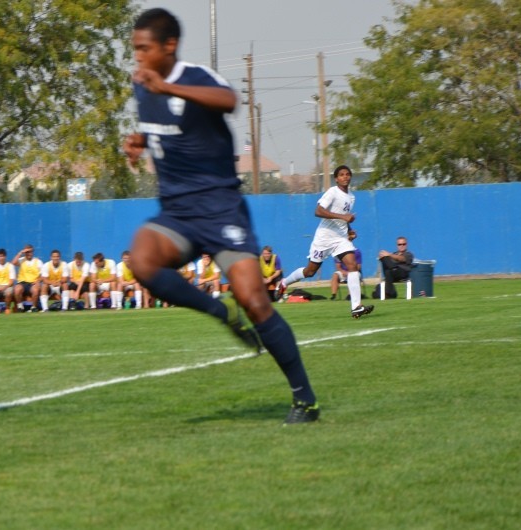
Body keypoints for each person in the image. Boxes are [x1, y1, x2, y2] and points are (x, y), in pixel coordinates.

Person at [122, 9, 319, 424]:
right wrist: (140, 140)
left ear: (169, 46)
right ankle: (219, 312)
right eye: (135, 48)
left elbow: (229, 100)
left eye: (144, 48)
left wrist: (168, 86)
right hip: (177, 213)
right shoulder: (142, 86)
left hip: (220, 208)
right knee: (141, 260)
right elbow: (166, 128)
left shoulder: (194, 77)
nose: (138, 56)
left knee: (255, 301)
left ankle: (305, 399)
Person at [276, 165, 374, 319]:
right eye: (341, 175)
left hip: (340, 238)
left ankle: (356, 307)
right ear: (336, 179)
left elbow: (344, 216)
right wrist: (343, 217)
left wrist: (349, 230)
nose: (345, 177)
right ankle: (284, 283)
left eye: (347, 174)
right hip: (324, 238)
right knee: (310, 271)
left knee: (352, 265)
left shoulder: (351, 197)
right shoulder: (332, 192)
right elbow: (318, 211)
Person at [330, 232, 362, 301]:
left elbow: (359, 266)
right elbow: (338, 266)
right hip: (343, 272)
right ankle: (333, 295)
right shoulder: (338, 251)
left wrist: (351, 272)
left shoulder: (357, 252)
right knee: (335, 275)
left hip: (354, 271)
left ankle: (350, 295)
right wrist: (343, 272)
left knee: (354, 275)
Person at [12, 244, 43, 312]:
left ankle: (33, 307)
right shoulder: (21, 260)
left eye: (30, 252)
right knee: (17, 289)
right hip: (22, 283)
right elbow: (13, 263)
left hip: (33, 283)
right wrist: (21, 252)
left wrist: (38, 281)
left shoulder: (38, 262)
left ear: (33, 252)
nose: (29, 253)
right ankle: (20, 307)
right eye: (27, 252)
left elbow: (43, 275)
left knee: (35, 290)